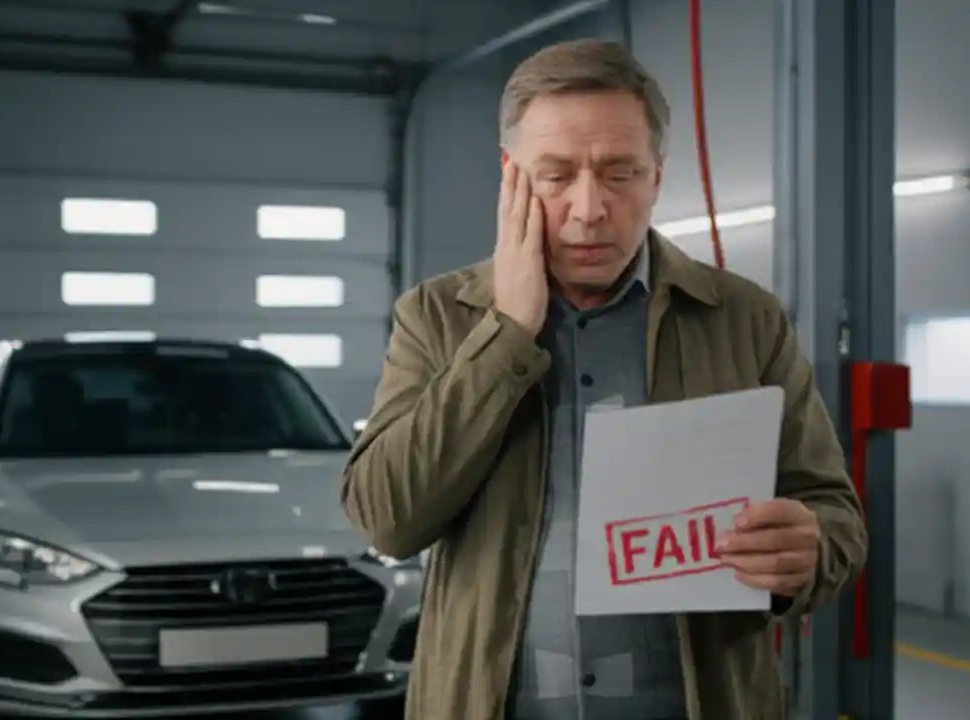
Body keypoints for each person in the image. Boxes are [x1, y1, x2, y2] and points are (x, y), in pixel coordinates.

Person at [340, 38, 867, 720]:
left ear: (657, 176)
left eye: (620, 173)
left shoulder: (743, 319)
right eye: (556, 176)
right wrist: (506, 334)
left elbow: (834, 515)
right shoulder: (438, 316)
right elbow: (387, 518)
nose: (589, 209)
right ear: (511, 177)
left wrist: (808, 549)